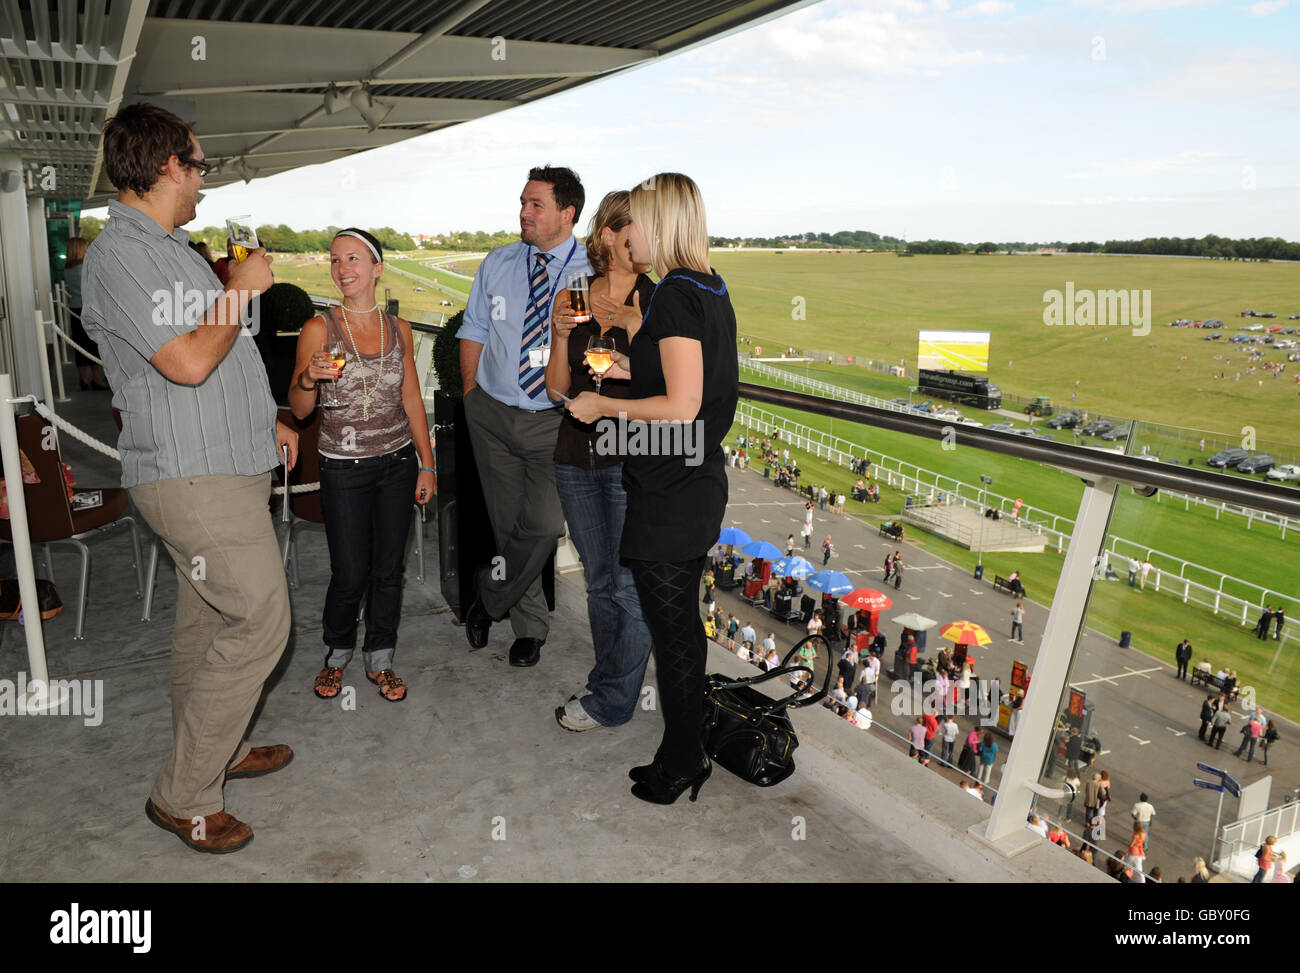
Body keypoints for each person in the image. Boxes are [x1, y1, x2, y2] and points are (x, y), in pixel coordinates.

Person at [81, 102, 297, 853]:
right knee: (264, 618)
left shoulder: (168, 247)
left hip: (226, 460)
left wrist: (268, 412)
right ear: (169, 165)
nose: (204, 179)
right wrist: (242, 286)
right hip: (191, 473)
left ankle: (218, 748)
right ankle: (185, 793)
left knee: (205, 622)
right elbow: (187, 361)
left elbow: (219, 352)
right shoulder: (123, 255)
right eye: (199, 164)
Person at [567, 173, 737, 805]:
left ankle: (683, 761)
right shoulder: (706, 287)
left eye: (633, 220)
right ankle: (679, 750)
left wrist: (604, 408)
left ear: (660, 223)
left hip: (671, 490)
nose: (623, 234)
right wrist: (623, 368)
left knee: (676, 639)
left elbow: (683, 404)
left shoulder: (671, 295)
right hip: (692, 481)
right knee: (682, 633)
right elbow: (678, 378)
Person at [290, 228, 434, 704]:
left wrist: (426, 464)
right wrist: (309, 376)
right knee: (350, 572)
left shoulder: (401, 330)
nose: (342, 269)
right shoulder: (320, 329)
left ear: (377, 268)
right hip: (344, 469)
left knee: (388, 570)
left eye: (352, 259)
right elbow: (301, 409)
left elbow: (411, 398)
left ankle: (381, 658)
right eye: (334, 260)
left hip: (396, 464)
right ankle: (336, 655)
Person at [459, 165, 590, 667]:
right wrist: (472, 395)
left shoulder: (592, 272)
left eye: (536, 205)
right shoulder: (499, 262)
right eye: (522, 202)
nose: (524, 213)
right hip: (491, 412)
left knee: (540, 526)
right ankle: (529, 627)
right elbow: (472, 329)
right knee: (505, 525)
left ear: (567, 212)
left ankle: (489, 594)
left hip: (555, 419)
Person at [62, 237, 109, 391]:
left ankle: (83, 380)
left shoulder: (67, 268)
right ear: (80, 249)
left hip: (75, 307)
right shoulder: (86, 267)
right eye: (86, 246)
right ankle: (97, 379)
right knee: (93, 345)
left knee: (80, 344)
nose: (88, 248)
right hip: (89, 309)